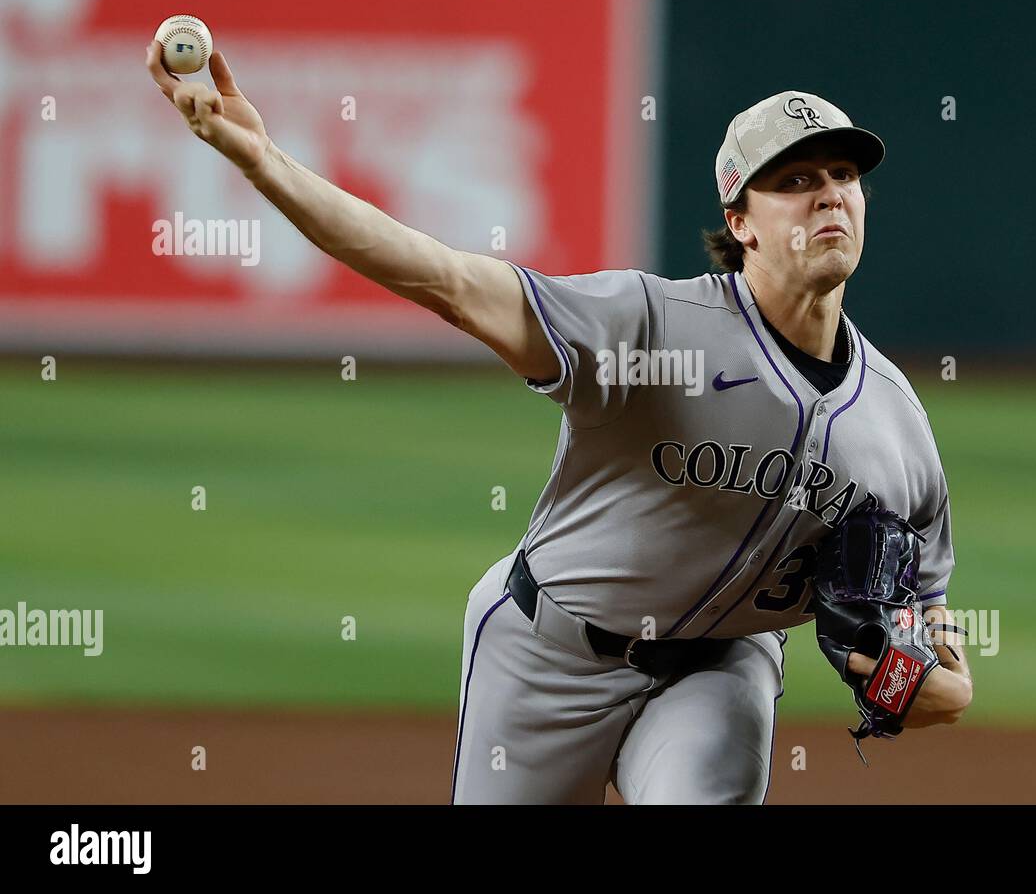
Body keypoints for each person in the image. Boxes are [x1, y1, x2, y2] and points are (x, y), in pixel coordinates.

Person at [147, 43, 973, 804]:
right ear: (742, 224)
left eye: (842, 174)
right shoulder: (649, 327)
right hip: (547, 656)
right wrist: (262, 160)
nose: (828, 191)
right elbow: (444, 278)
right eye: (793, 180)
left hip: (720, 673)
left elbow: (940, 642)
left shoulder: (897, 430)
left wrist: (922, 683)